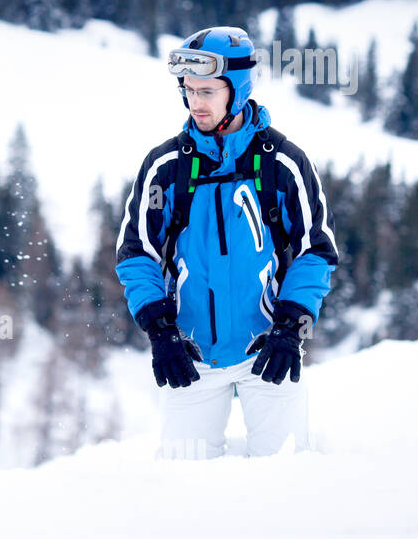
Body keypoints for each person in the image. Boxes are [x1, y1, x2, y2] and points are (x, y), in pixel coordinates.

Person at [115, 26, 339, 459]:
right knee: (183, 484)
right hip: (191, 356)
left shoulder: (283, 163)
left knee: (288, 476)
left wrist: (290, 328)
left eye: (207, 92)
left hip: (269, 349)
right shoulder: (165, 168)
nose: (194, 102)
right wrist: (161, 332)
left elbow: (315, 249)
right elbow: (137, 252)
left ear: (236, 90)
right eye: (188, 90)